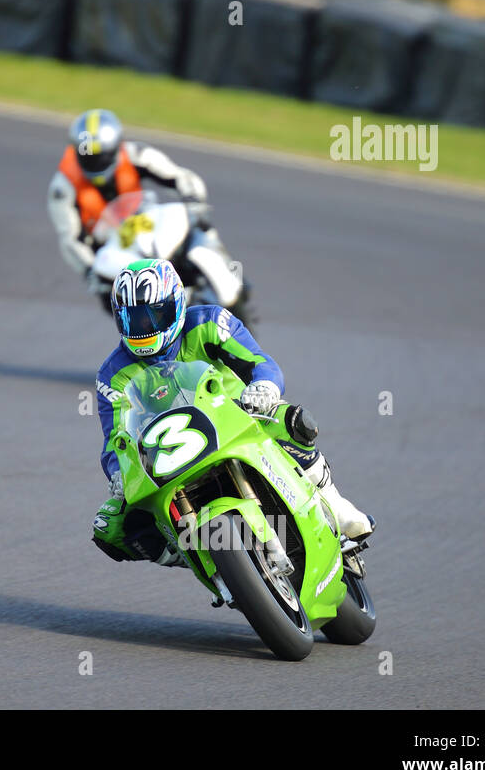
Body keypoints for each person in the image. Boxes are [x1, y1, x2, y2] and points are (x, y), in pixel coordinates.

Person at [91, 258, 374, 565]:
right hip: (170, 450)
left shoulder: (209, 322)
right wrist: (118, 473)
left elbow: (260, 362)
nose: (144, 325)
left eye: (153, 313)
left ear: (175, 303)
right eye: (133, 317)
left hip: (238, 417)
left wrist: (264, 387)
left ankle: (335, 504)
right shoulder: (113, 374)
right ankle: (184, 553)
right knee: (111, 526)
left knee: (291, 420)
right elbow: (114, 438)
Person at [47, 109, 232, 291]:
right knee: (114, 298)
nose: (96, 164)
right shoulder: (62, 188)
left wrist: (194, 201)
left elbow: (178, 177)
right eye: (89, 159)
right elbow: (70, 239)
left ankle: (227, 271)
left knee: (199, 227)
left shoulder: (136, 153)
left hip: (145, 222)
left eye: (100, 158)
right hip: (111, 249)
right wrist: (89, 269)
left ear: (116, 147)